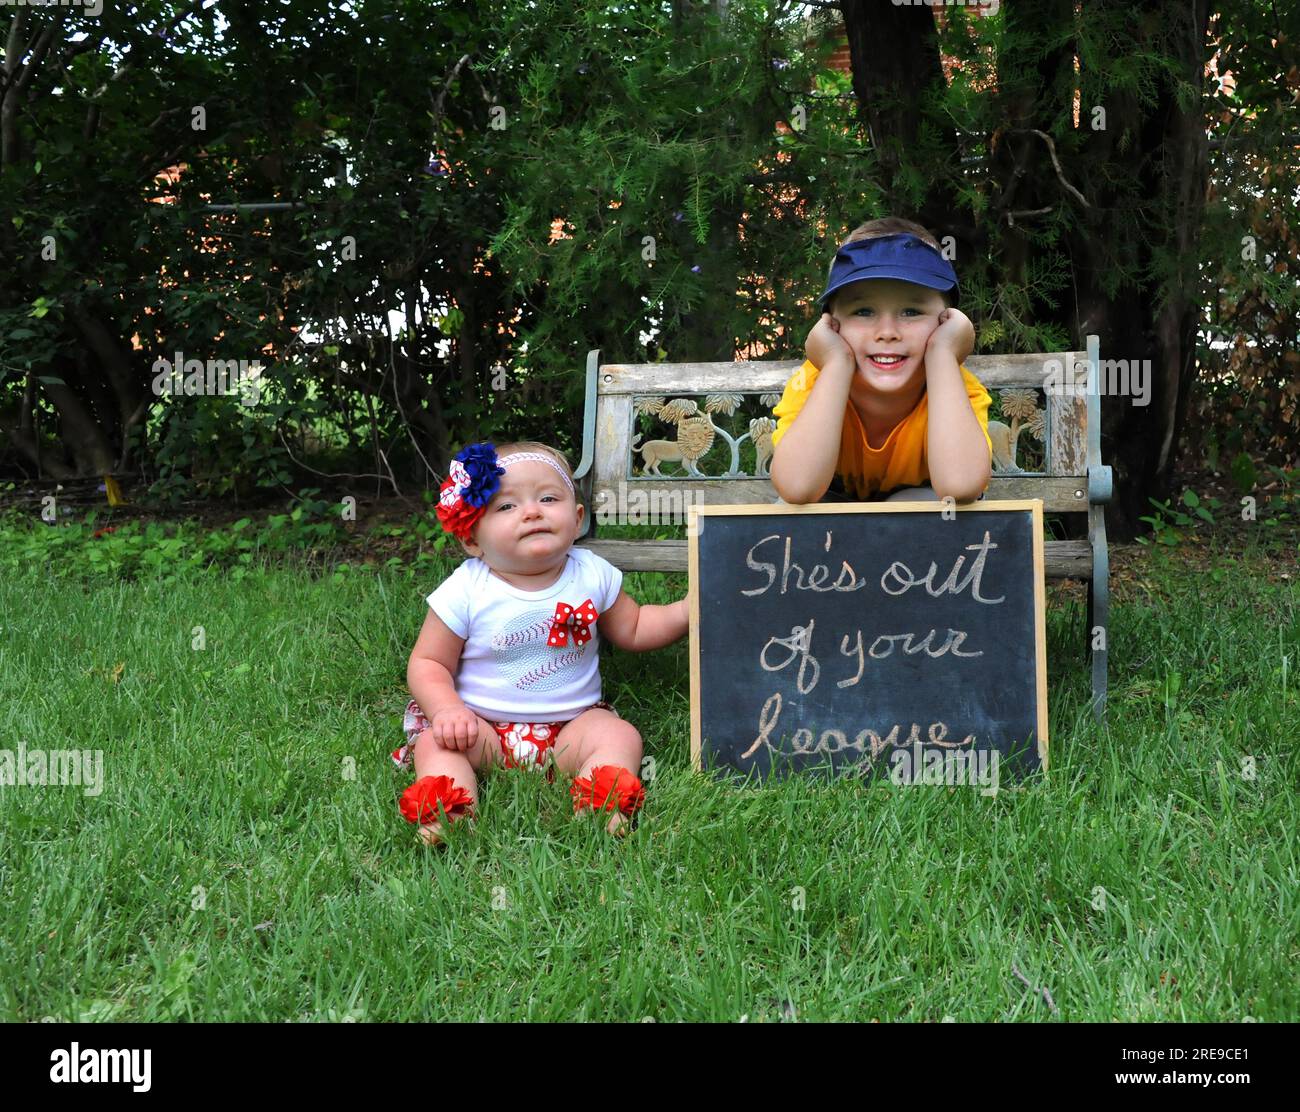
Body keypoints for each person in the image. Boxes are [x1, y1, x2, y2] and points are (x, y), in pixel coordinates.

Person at [395, 440, 689, 844]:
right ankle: (449, 810)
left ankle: (602, 802)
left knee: (620, 735)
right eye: (506, 507)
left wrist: (687, 611)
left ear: (578, 518)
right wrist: (447, 710)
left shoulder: (592, 574)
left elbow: (635, 627)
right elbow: (429, 663)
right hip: (483, 730)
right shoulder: (466, 588)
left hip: (572, 728)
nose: (532, 511)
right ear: (473, 540)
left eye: (548, 498)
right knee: (437, 743)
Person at [769, 217, 993, 505]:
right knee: (793, 511)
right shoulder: (814, 382)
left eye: (911, 312)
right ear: (831, 325)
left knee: (924, 504)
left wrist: (941, 355)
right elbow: (797, 488)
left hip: (927, 540)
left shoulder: (958, 387)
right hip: (829, 535)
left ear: (946, 322)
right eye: (863, 311)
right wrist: (837, 364)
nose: (887, 333)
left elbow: (960, 487)